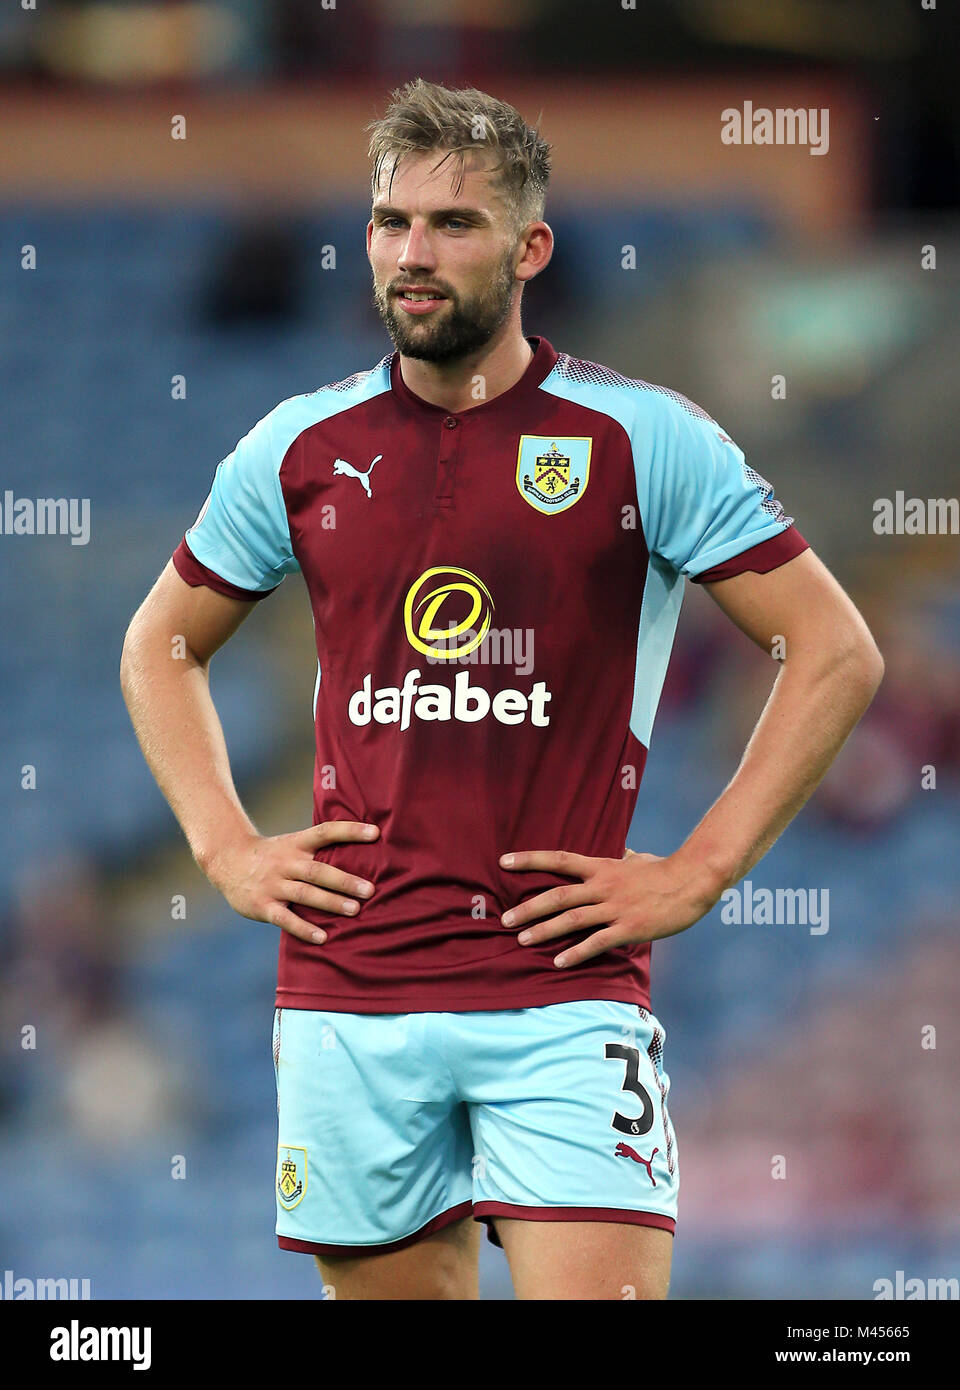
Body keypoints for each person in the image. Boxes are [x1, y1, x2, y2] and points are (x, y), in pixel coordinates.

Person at [120, 78, 884, 1300]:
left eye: (452, 225)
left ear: (529, 247)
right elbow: (159, 645)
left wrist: (702, 867)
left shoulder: (644, 438)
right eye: (390, 222)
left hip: (561, 992)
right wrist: (222, 847)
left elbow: (834, 648)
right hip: (349, 996)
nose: (412, 255)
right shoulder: (296, 447)